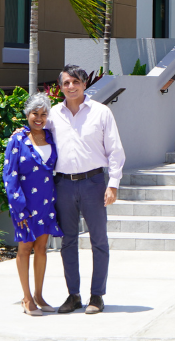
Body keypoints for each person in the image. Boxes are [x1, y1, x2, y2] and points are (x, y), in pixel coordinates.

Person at [48, 64, 126, 315]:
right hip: (63, 184)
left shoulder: (101, 113)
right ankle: (73, 296)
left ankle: (97, 296)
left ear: (84, 84)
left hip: (93, 183)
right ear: (60, 88)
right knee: (67, 242)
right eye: (66, 83)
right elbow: (39, 137)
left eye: (75, 82)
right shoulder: (53, 115)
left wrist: (113, 184)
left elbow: (115, 150)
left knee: (98, 240)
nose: (71, 87)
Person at [3, 92, 63, 316]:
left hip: (46, 203)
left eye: (43, 114)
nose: (39, 118)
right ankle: (26, 298)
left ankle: (39, 295)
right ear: (27, 115)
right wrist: (18, 205)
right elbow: (10, 174)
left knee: (41, 249)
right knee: (24, 247)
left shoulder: (51, 136)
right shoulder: (17, 139)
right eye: (34, 114)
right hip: (25, 203)